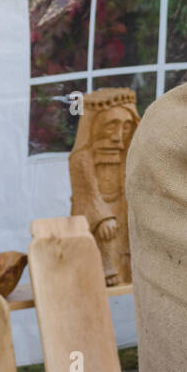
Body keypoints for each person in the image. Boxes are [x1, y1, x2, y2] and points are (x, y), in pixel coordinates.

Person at [68, 88, 140, 285]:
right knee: (106, 231)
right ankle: (106, 269)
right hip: (100, 216)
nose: (118, 136)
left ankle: (129, 269)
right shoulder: (81, 159)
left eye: (126, 127)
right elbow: (87, 197)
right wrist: (102, 218)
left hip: (122, 212)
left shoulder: (129, 157)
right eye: (111, 126)